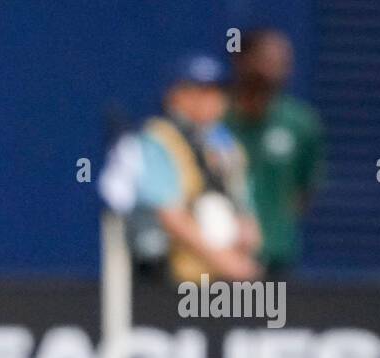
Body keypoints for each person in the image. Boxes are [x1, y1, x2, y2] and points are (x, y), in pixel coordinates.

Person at [104, 54, 262, 284]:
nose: (213, 100)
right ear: (176, 95)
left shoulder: (224, 141)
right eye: (201, 92)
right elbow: (170, 215)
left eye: (217, 92)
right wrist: (224, 261)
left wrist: (246, 240)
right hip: (163, 275)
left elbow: (243, 202)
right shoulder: (156, 140)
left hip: (217, 276)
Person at [227, 28, 324, 276]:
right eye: (265, 60)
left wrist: (274, 227)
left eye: (283, 62)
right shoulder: (216, 119)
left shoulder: (302, 123)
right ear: (241, 60)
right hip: (216, 255)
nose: (274, 70)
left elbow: (304, 190)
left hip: (277, 256)